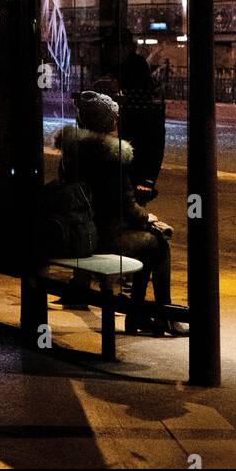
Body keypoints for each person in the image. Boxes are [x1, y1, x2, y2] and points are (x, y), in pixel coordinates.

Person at [54, 90, 186, 336]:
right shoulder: (112, 156)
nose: (117, 121)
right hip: (100, 238)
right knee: (158, 245)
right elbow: (127, 206)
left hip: (78, 232)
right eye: (115, 118)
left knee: (148, 243)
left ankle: (141, 315)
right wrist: (150, 219)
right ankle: (162, 316)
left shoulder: (72, 152)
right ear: (108, 122)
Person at [117, 31, 166, 201]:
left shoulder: (133, 72)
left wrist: (148, 179)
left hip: (133, 152)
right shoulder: (128, 70)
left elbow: (152, 135)